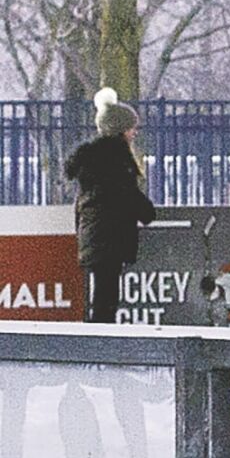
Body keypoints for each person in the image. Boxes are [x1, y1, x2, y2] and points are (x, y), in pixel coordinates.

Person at [64, 88, 155, 324]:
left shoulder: (95, 158)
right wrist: (147, 212)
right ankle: (100, 344)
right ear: (120, 129)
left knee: (104, 290)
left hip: (95, 232)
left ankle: (98, 338)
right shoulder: (115, 158)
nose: (135, 132)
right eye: (132, 127)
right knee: (106, 295)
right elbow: (125, 194)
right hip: (109, 234)